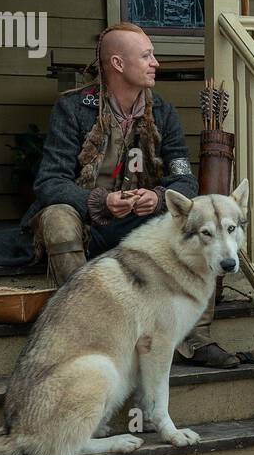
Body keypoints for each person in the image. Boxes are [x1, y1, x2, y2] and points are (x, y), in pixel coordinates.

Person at [22, 22, 233, 368]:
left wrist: (158, 194)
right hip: (88, 223)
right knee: (57, 218)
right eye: (147, 55)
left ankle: (193, 338)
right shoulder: (73, 108)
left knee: (200, 218)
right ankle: (93, 327)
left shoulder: (162, 111)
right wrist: (100, 201)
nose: (156, 63)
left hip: (141, 225)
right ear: (118, 64)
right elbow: (50, 181)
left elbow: (184, 180)